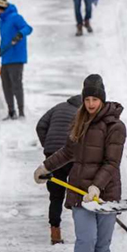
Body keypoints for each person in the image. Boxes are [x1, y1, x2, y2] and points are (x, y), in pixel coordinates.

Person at [33, 74, 126, 252]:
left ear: (102, 99)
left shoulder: (115, 126)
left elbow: (111, 163)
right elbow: (67, 152)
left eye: (95, 99)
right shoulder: (79, 122)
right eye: (88, 99)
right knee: (86, 242)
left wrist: (97, 186)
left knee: (101, 248)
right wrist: (46, 167)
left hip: (106, 197)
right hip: (79, 194)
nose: (91, 104)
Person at [35, 94, 83, 244]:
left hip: (53, 155)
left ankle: (55, 232)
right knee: (79, 191)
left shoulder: (58, 107)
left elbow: (40, 126)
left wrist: (48, 147)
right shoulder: (82, 113)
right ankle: (83, 232)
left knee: (56, 195)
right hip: (72, 155)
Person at [0, 0, 33, 120]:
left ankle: (21, 112)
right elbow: (4, 40)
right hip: (6, 58)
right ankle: (11, 111)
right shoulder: (1, 22)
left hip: (17, 58)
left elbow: (28, 28)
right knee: (6, 85)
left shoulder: (15, 17)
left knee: (16, 85)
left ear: (3, 8)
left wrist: (19, 35)